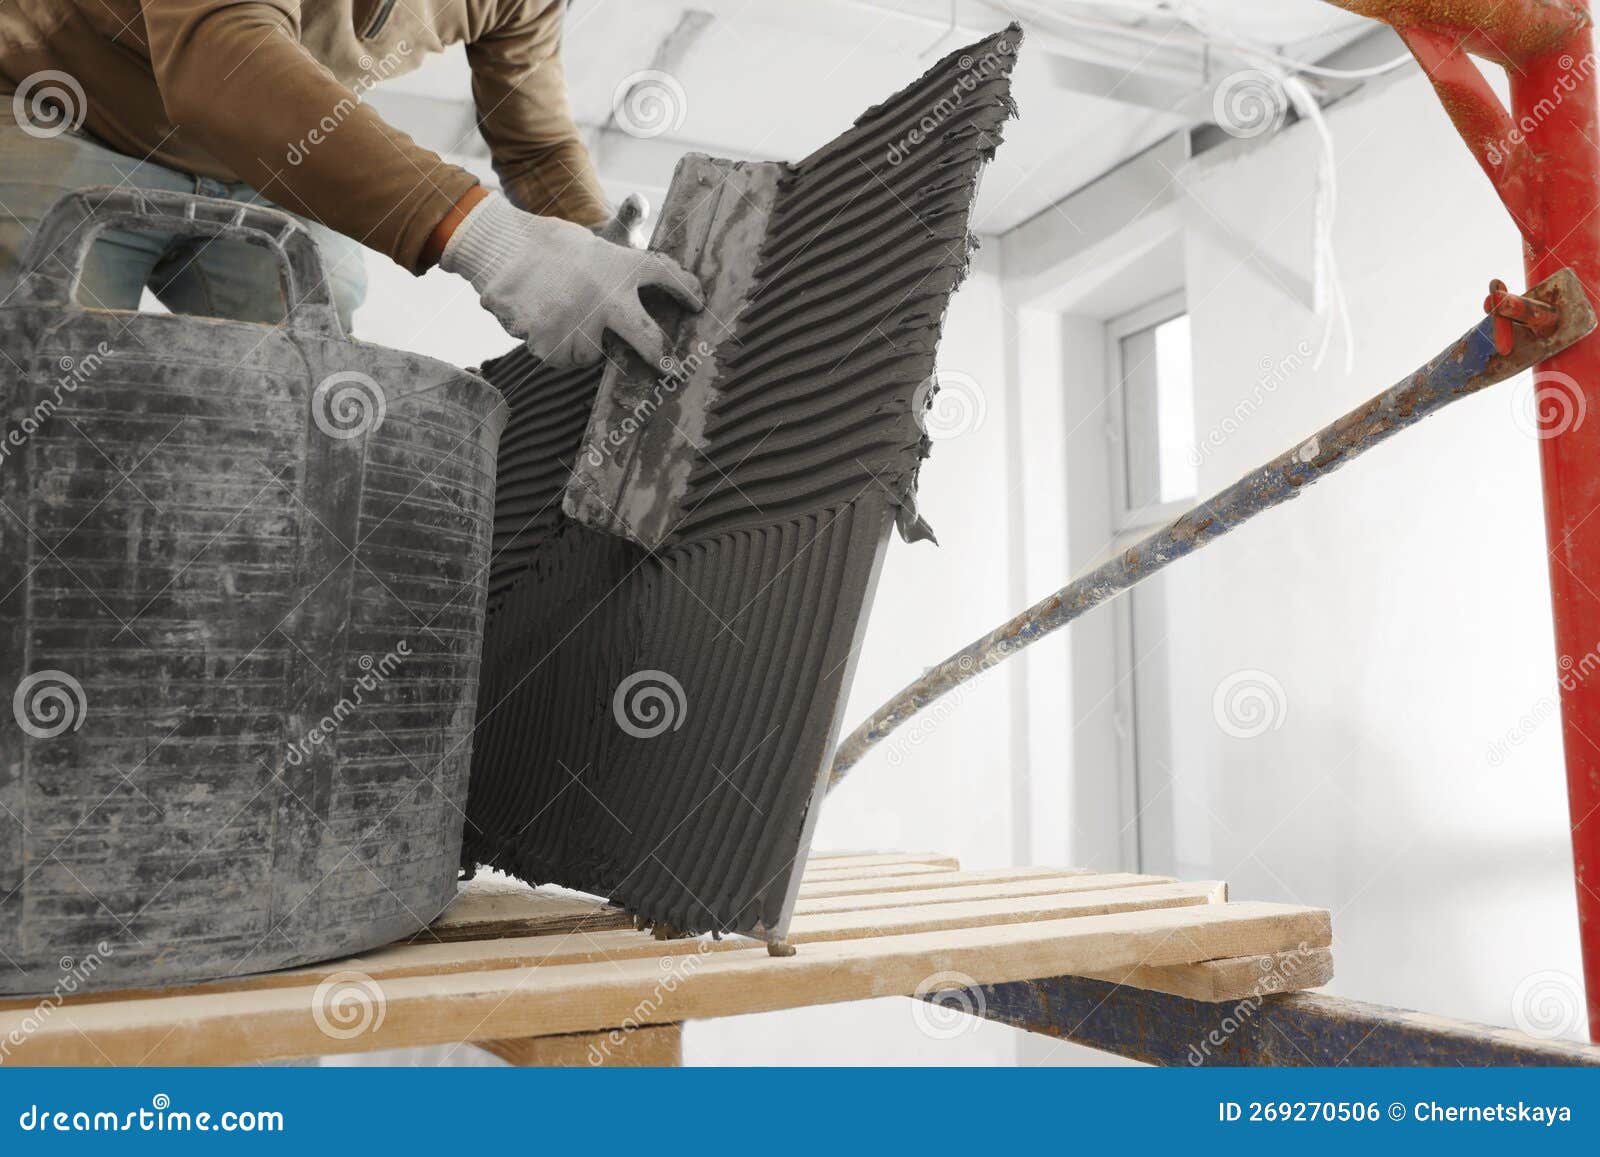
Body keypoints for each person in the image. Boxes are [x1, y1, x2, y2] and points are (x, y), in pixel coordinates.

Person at [0, 0, 701, 364]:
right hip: (63, 109)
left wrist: (583, 235)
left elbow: (539, 145)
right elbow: (226, 61)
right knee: (53, 348)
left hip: (255, 158)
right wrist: (500, 247)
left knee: (311, 349)